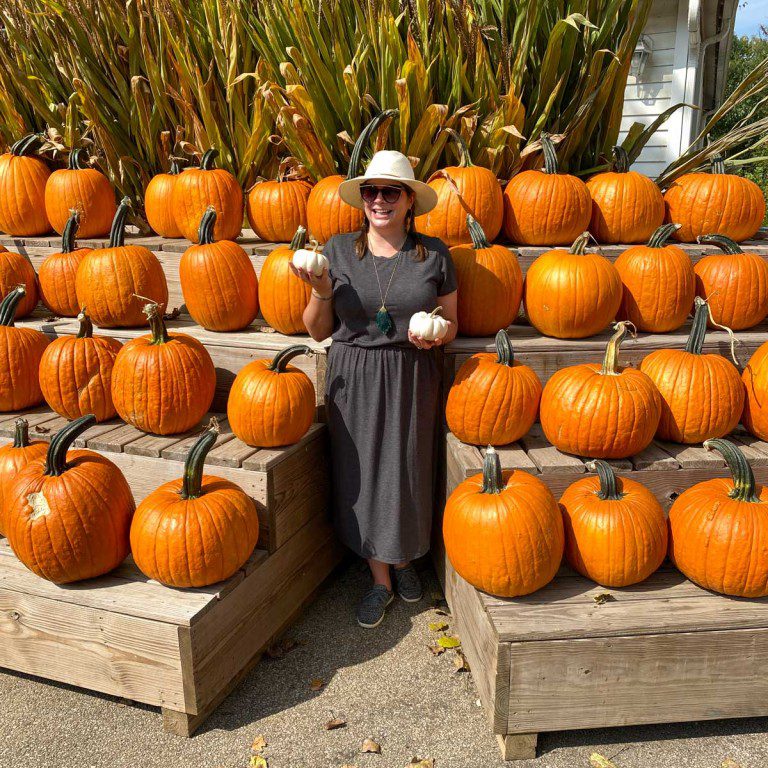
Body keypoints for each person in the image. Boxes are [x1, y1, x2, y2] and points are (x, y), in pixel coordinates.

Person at [291, 149, 458, 628]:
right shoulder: (338, 251)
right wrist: (320, 290)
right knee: (359, 474)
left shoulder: (435, 254)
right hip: (355, 375)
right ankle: (380, 578)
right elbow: (317, 330)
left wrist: (435, 334)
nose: (379, 200)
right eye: (370, 191)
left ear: (409, 201)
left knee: (407, 471)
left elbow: (452, 324)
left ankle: (404, 560)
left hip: (411, 374)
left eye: (390, 192)